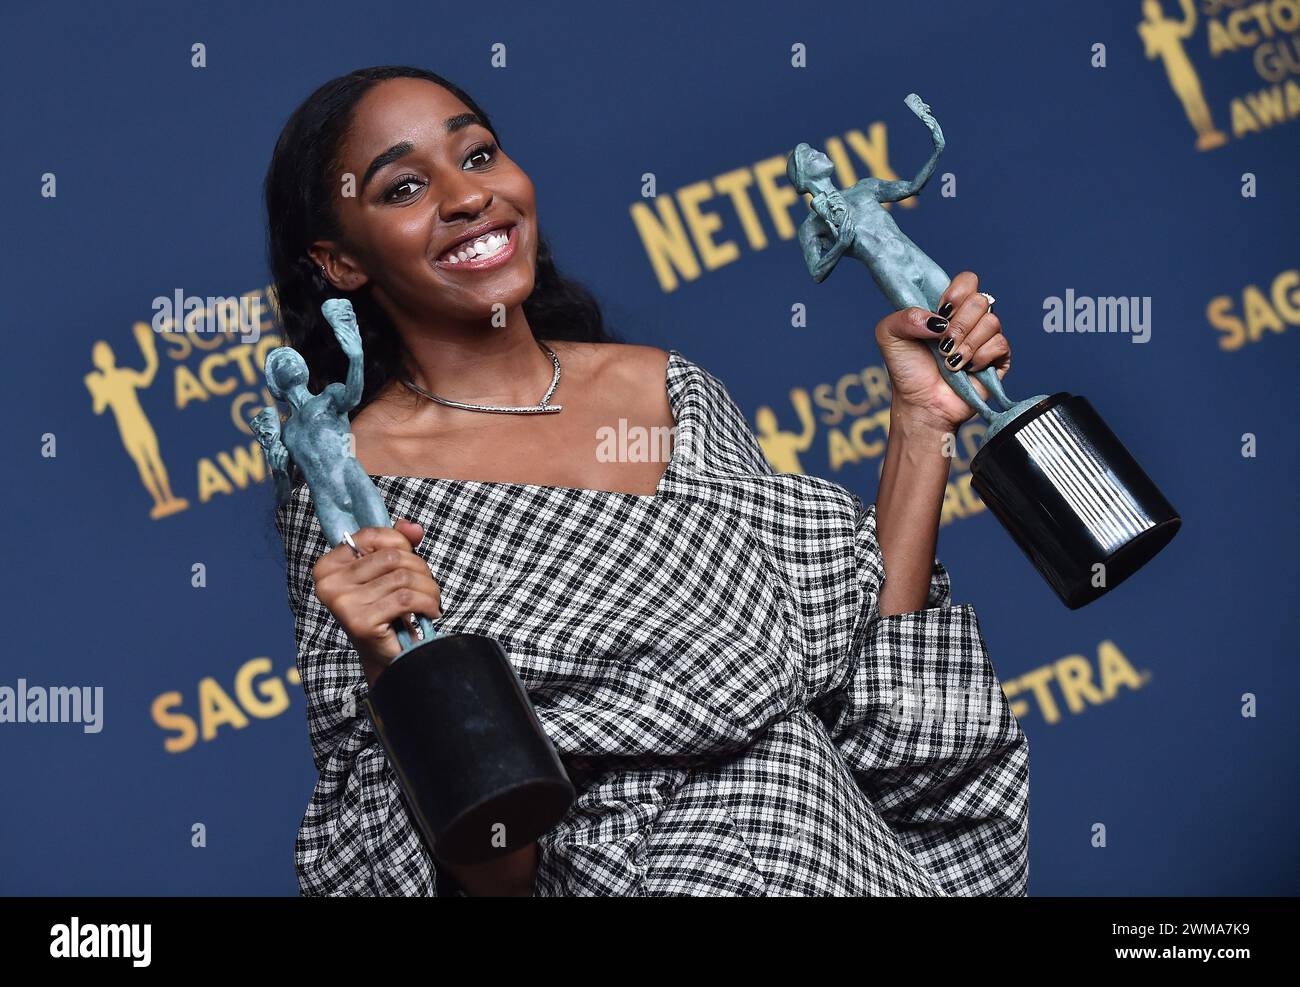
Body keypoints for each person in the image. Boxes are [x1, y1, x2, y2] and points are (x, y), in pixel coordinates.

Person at [265, 65, 1028, 896]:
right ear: (338, 262)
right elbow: (487, 876)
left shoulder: (667, 389)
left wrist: (919, 425)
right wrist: (398, 670)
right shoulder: (355, 483)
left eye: (478, 156)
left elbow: (879, 686)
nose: (465, 196)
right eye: (405, 185)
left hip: (846, 861)